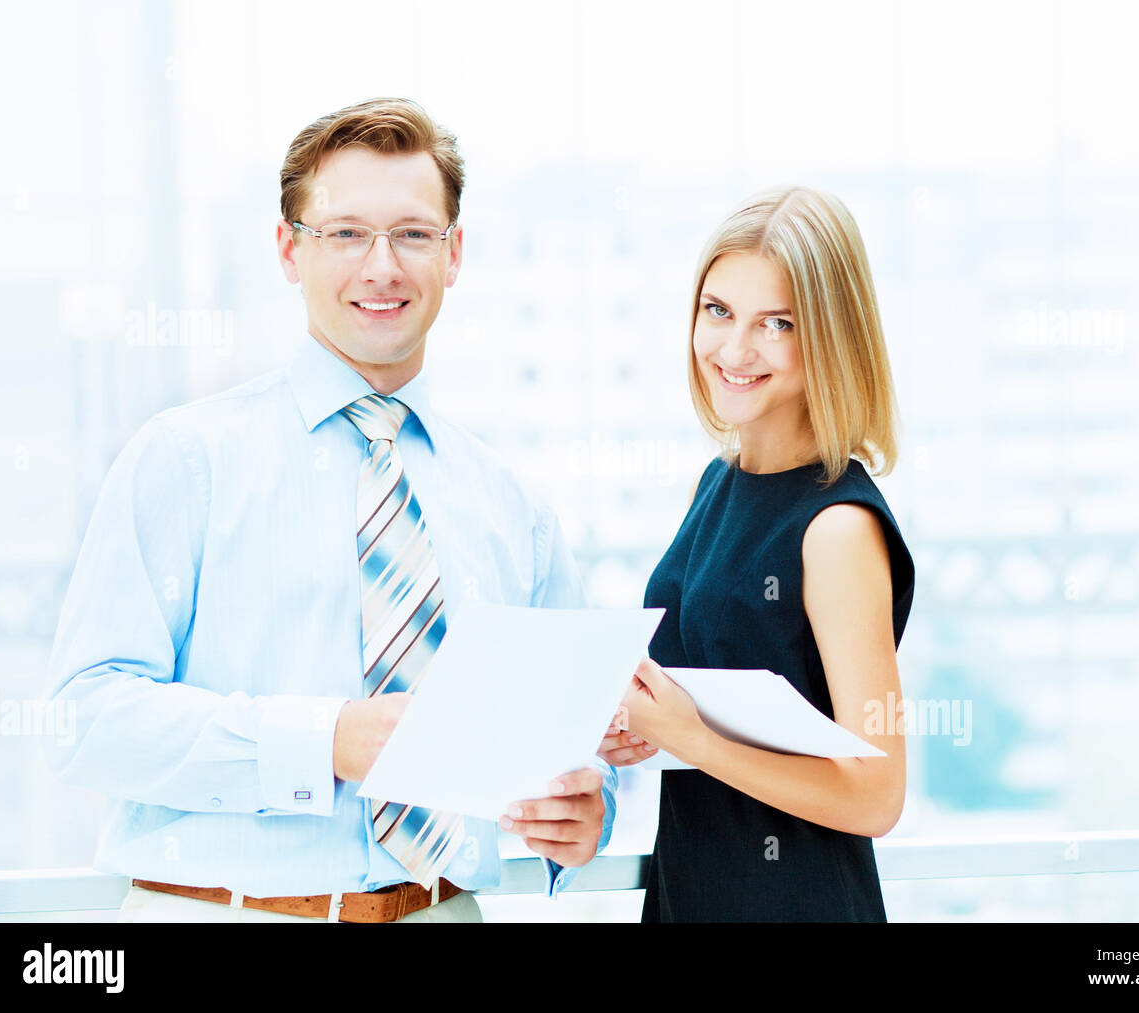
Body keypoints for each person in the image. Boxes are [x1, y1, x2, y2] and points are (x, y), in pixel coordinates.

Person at [44, 97, 614, 923]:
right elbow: (86, 716)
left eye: (414, 234)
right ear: (289, 250)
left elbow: (580, 730)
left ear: (453, 256)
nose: (382, 266)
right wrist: (322, 740)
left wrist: (590, 812)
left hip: (444, 909)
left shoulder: (511, 504)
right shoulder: (185, 459)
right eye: (345, 233)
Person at [598, 186, 915, 921]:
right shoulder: (711, 486)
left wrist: (690, 735)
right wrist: (651, 730)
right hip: (688, 892)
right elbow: (718, 704)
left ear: (830, 337)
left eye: (777, 323)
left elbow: (877, 793)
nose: (734, 350)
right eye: (719, 311)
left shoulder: (836, 526)